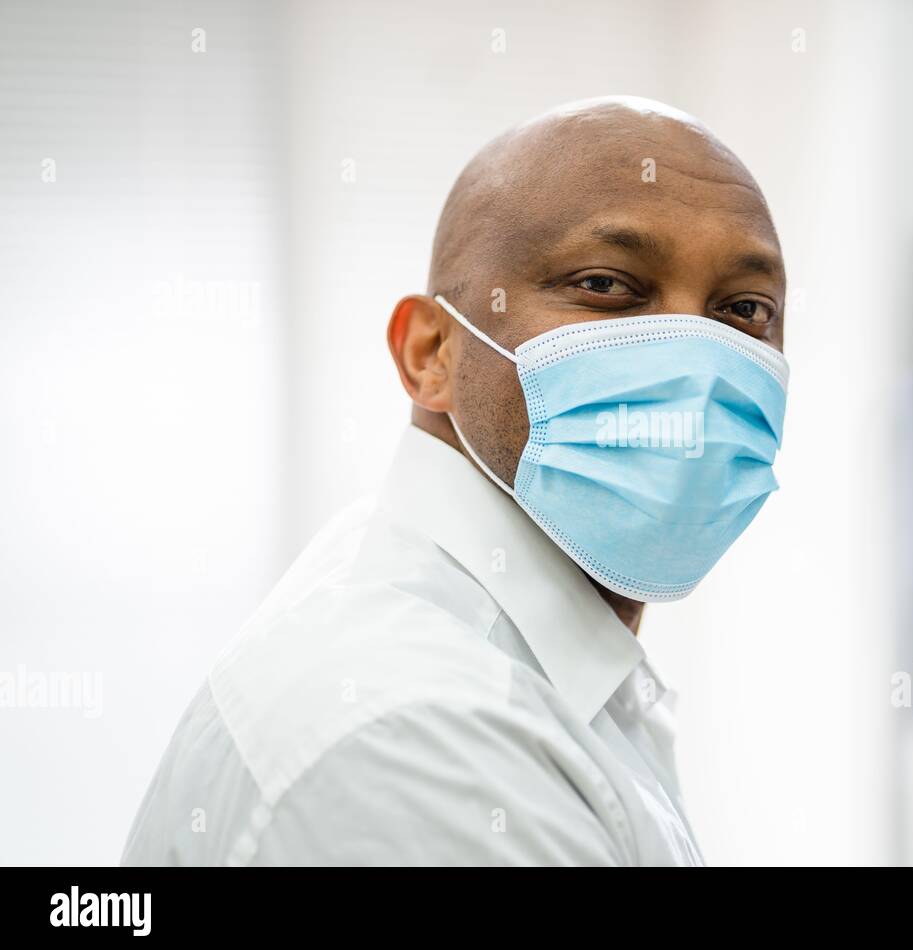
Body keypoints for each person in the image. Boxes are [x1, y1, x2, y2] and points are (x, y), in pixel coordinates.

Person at [121, 96, 789, 866]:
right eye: (607, 285)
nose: (695, 363)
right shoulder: (413, 730)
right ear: (430, 352)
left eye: (743, 308)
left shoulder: (511, 650)